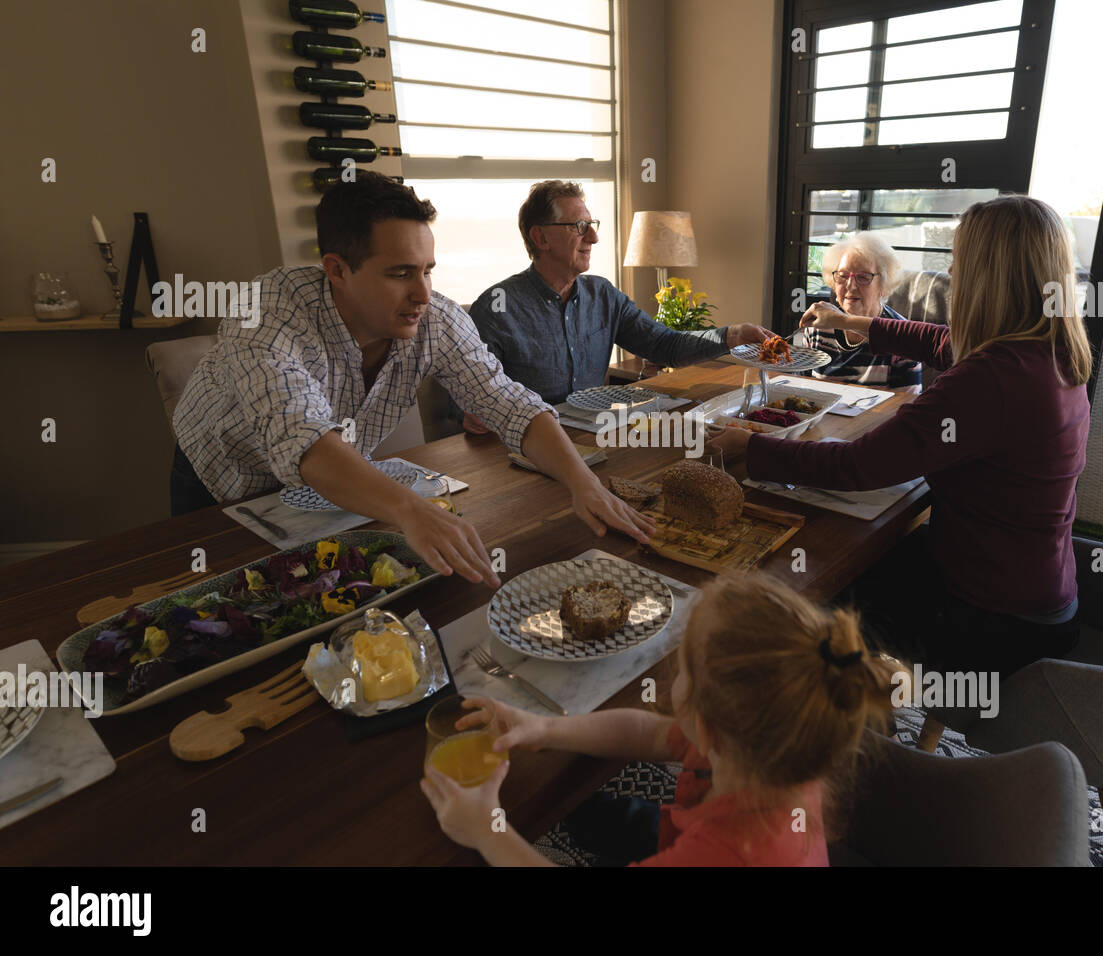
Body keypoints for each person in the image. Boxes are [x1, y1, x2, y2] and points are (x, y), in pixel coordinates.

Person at [171, 172, 652, 587]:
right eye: (400, 273)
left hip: (331, 483)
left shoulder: (434, 317)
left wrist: (581, 482)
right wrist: (410, 511)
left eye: (427, 270)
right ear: (336, 270)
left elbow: (509, 401)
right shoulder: (264, 311)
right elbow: (305, 439)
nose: (423, 294)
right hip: (219, 487)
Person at [706, 195, 1092, 680]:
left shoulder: (990, 380)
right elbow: (938, 340)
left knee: (807, 584)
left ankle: (841, 723)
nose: (952, 268)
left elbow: (857, 467)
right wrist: (848, 322)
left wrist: (751, 450)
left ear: (987, 275)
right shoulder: (1047, 352)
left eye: (959, 258)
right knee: (868, 546)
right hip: (1038, 595)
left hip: (995, 624)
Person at [420, 573, 897, 866]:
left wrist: (489, 831)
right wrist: (544, 726)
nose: (672, 681)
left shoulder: (729, 853)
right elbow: (645, 733)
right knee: (605, 816)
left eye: (683, 669)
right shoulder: (775, 744)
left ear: (708, 726)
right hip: (700, 832)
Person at [461, 180, 772, 430]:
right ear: (540, 237)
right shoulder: (496, 309)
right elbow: (477, 405)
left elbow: (664, 345)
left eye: (591, 224)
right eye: (579, 226)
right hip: (527, 449)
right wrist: (479, 414)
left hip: (596, 439)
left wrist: (731, 335)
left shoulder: (603, 294)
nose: (594, 237)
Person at [805, 232, 921, 388]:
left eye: (863, 277)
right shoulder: (818, 327)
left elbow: (906, 406)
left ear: (883, 284)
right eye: (843, 276)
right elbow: (801, 389)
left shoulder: (901, 338)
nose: (851, 286)